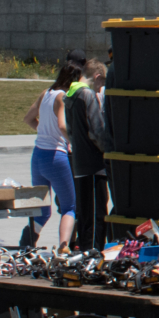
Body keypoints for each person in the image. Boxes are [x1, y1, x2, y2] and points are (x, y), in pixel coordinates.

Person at [21, 61, 83, 250]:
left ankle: (28, 240)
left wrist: (44, 132)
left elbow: (28, 118)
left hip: (38, 155)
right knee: (69, 207)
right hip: (55, 156)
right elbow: (62, 125)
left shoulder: (45, 93)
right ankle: (64, 245)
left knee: (41, 207)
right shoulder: (61, 96)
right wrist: (71, 141)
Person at [65, 59, 111, 251]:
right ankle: (94, 253)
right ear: (97, 76)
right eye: (102, 82)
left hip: (79, 163)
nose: (102, 88)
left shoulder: (69, 95)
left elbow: (70, 130)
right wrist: (108, 149)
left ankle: (84, 251)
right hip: (94, 165)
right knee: (97, 214)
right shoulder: (87, 95)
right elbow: (96, 130)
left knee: (84, 214)